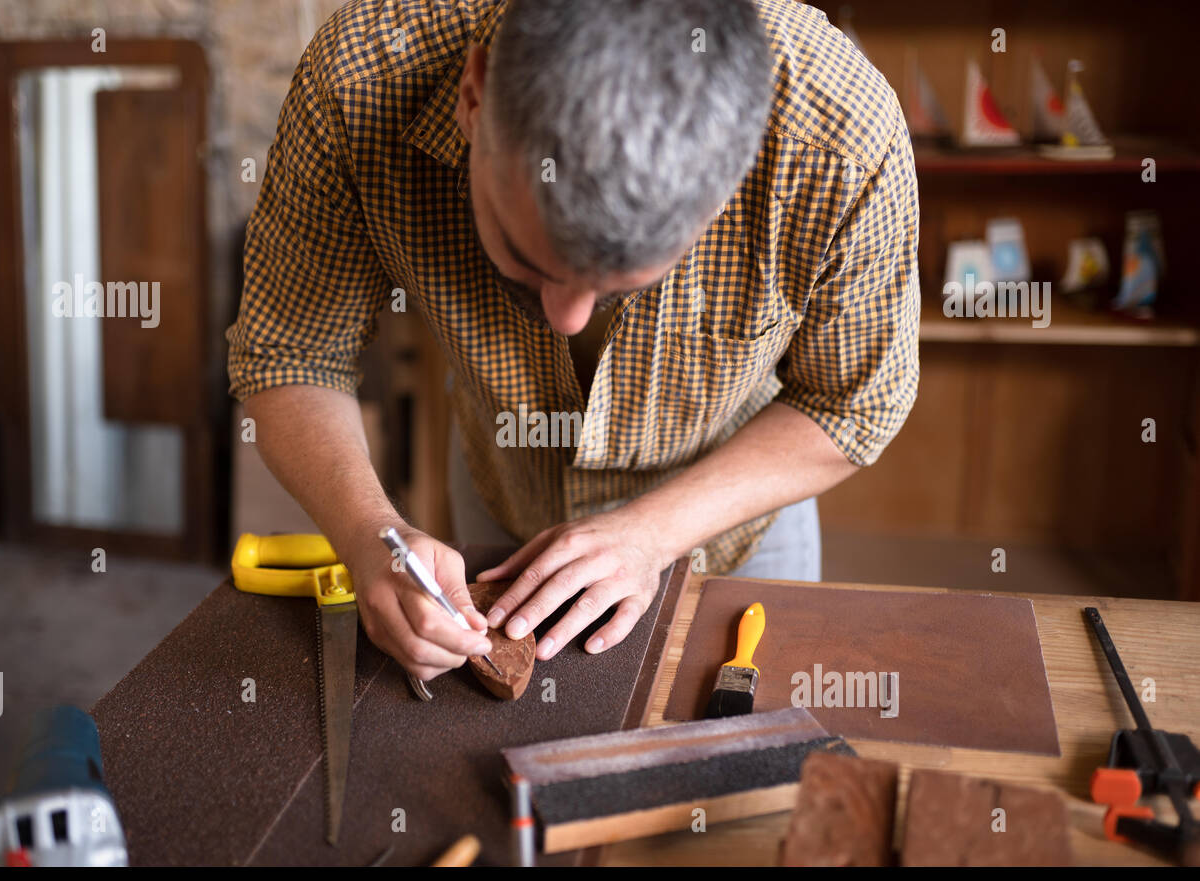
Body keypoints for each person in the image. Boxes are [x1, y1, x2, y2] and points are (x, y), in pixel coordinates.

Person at [226, 0, 920, 681]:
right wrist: (367, 535)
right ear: (474, 95)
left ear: (730, 183)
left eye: (623, 285)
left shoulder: (840, 140)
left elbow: (850, 407)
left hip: (734, 516)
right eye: (528, 264)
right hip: (503, 486)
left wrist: (654, 532)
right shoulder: (357, 81)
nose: (568, 319)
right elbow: (290, 353)